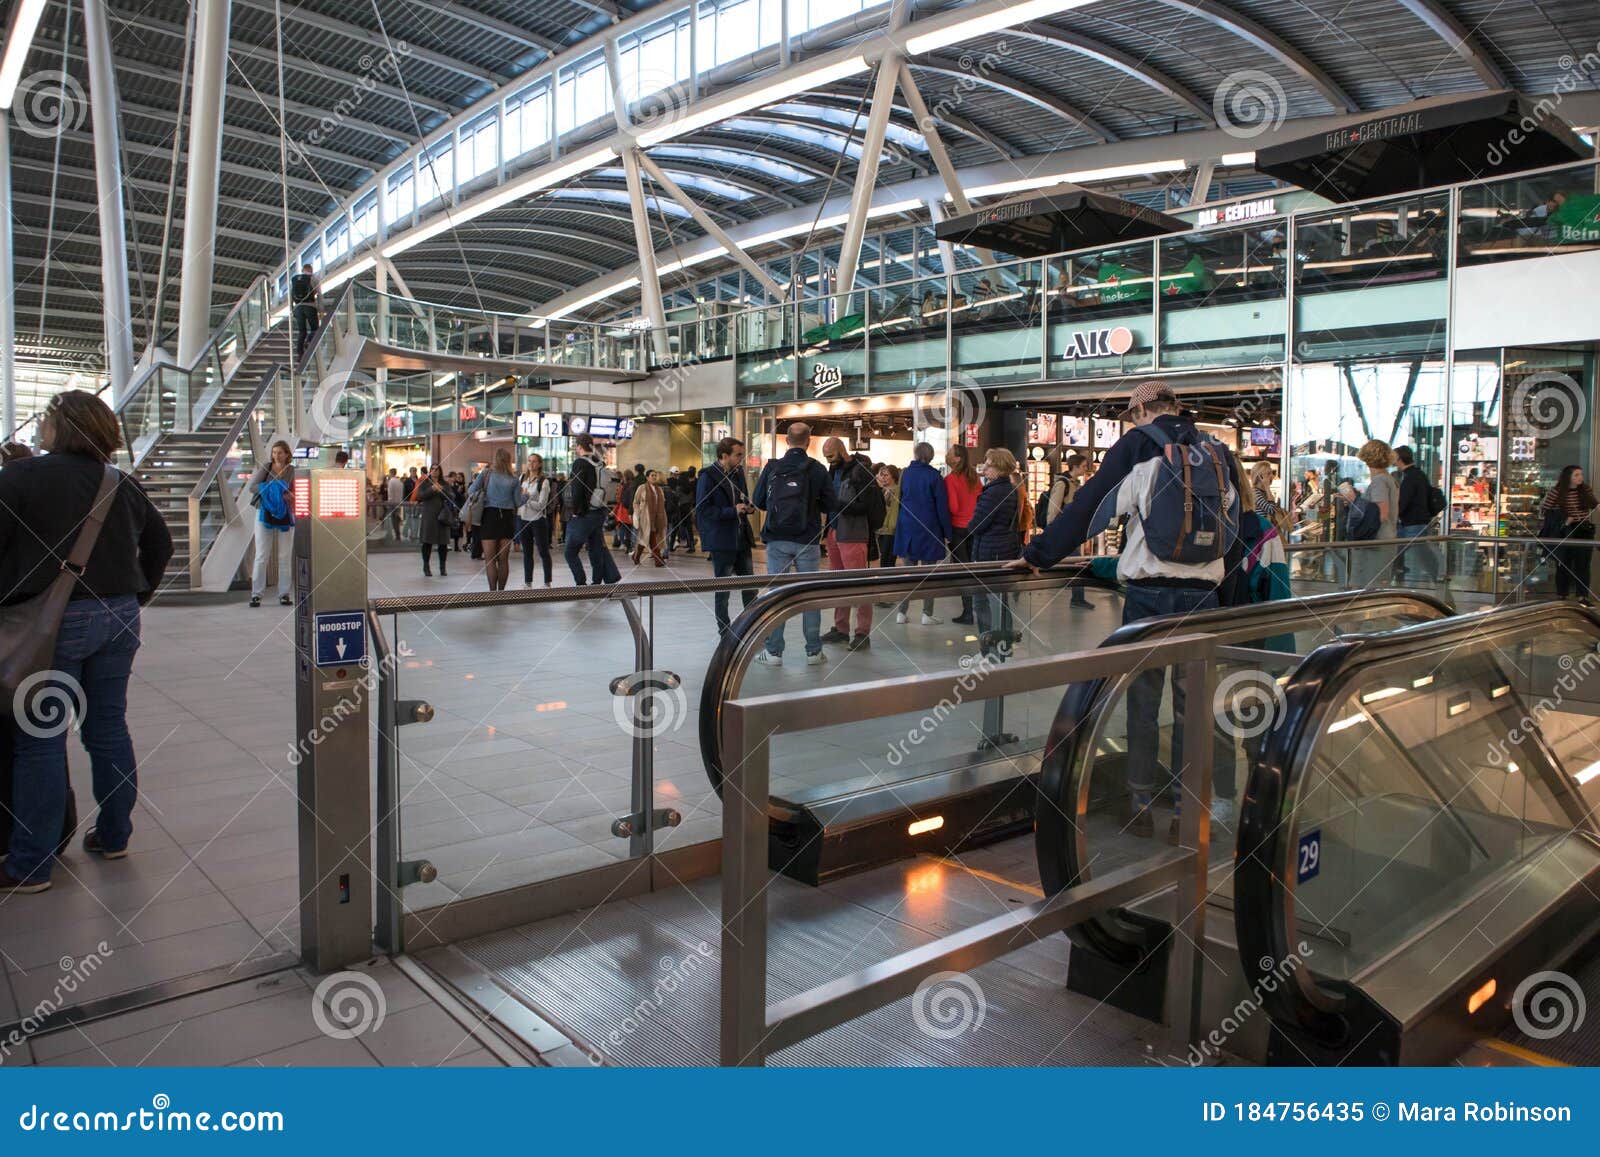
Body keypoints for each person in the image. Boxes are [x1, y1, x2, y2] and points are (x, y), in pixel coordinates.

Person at [1010, 381, 1243, 840]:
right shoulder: (1216, 451)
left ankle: (1139, 806)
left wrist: (1038, 554)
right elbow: (1235, 530)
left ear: (1139, 412)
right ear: (1176, 407)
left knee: (1142, 700)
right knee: (1192, 707)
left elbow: (1088, 507)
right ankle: (1184, 813)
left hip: (1149, 596)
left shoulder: (1137, 446)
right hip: (1203, 597)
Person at [0, 390, 173, 893]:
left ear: (61, 426)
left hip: (48, 624)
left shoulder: (19, 478)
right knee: (107, 727)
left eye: (46, 419)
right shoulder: (118, 482)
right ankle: (114, 834)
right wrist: (135, 593)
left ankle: (30, 863)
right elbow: (161, 543)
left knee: (40, 738)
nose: (40, 427)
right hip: (118, 616)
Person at [751, 422, 835, 666]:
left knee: (777, 595)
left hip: (777, 539)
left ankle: (774, 652)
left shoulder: (773, 466)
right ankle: (814, 652)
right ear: (809, 441)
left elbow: (759, 501)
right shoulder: (817, 469)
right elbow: (831, 505)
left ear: (787, 441)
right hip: (807, 539)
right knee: (809, 595)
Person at [819, 437, 882, 651]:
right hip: (835, 531)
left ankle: (862, 632)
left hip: (854, 534)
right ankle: (841, 628)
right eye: (825, 456)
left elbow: (866, 505)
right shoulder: (833, 470)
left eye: (830, 455)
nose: (828, 460)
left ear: (841, 450)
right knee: (838, 582)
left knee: (858, 584)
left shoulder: (861, 471)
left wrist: (839, 505)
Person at [967, 449, 1025, 661]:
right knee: (1000, 602)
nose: (985, 467)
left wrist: (970, 524)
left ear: (1000, 467)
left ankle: (989, 649)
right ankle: (1004, 646)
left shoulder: (993, 492)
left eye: (989, 464)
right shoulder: (1010, 489)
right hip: (1003, 549)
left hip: (989, 553)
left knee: (982, 602)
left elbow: (978, 524)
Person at [696, 437, 757, 637]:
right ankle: (725, 631)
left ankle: (751, 626)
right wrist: (732, 511)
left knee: (750, 585)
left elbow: (743, 498)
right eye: (738, 455)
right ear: (724, 455)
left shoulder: (738, 473)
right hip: (722, 539)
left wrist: (747, 507)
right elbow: (704, 510)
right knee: (723, 588)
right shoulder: (708, 476)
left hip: (741, 536)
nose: (741, 458)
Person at [893, 442, 951, 624]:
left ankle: (901, 613)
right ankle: (927, 614)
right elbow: (942, 508)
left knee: (908, 574)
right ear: (931, 456)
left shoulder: (906, 473)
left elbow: (899, 499)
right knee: (929, 575)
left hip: (907, 528)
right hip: (929, 530)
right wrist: (948, 532)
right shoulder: (935, 477)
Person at [564, 433, 622, 586]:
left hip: (585, 513)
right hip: (599, 511)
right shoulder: (599, 462)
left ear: (579, 446)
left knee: (570, 552)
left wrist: (576, 511)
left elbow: (577, 490)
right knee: (595, 548)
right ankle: (596, 583)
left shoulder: (580, 463)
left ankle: (581, 583)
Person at [1044, 453, 1095, 609]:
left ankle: (1077, 597)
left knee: (1074, 563)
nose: (1086, 469)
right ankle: (1077, 598)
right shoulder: (1063, 484)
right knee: (1077, 563)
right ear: (1075, 466)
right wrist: (1052, 530)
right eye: (1084, 466)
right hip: (1064, 531)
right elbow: (1053, 510)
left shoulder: (1074, 484)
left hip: (1071, 530)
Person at [248, 440, 295, 608]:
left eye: (280, 452)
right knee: (261, 554)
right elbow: (252, 487)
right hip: (264, 512)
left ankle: (284, 593)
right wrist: (274, 489)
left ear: (287, 454)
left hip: (285, 513)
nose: (276, 455)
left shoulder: (291, 470)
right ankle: (256, 594)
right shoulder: (266, 467)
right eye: (274, 452)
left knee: (284, 555)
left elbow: (294, 492)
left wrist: (286, 495)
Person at [467, 447, 519, 591]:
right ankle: (501, 592)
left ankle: (492, 593)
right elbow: (518, 502)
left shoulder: (486, 473)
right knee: (503, 560)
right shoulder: (514, 479)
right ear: (508, 461)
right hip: (507, 519)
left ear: (495, 459)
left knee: (490, 560)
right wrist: (526, 495)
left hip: (489, 516)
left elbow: (471, 491)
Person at [1541, 465, 1597, 600]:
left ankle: (1582, 596)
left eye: (1581, 475)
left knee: (1582, 565)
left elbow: (1595, 504)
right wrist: (1563, 519)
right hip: (1565, 529)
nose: (1580, 478)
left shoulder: (1585, 490)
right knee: (1563, 564)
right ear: (1568, 477)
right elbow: (1545, 510)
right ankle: (1562, 595)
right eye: (1576, 475)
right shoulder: (1557, 492)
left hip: (1583, 530)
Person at [1351, 439, 1398, 589]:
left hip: (1375, 542)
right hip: (1386, 539)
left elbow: (1381, 513)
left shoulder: (1379, 481)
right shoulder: (1390, 479)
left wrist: (1354, 500)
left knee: (1367, 586)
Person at [1392, 446, 1441, 584]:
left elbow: (1404, 502)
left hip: (1412, 523)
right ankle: (1438, 579)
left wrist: (1394, 513)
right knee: (1417, 554)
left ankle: (1436, 581)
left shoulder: (1409, 478)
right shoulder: (1419, 474)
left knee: (1419, 556)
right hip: (1419, 521)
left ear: (1399, 458)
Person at [945, 443, 982, 624]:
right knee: (972, 569)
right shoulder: (975, 477)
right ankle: (975, 608)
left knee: (962, 570)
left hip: (957, 528)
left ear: (957, 458)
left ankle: (968, 612)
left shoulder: (951, 479)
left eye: (950, 453)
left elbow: (953, 506)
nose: (947, 455)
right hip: (974, 527)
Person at [515, 454, 556, 587]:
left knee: (543, 551)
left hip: (538, 520)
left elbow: (541, 505)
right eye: (529, 461)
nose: (531, 464)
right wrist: (522, 499)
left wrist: (527, 500)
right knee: (527, 552)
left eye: (534, 461)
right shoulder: (522, 478)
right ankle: (528, 582)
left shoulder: (543, 481)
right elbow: (518, 498)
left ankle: (547, 581)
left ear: (539, 464)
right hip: (523, 519)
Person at [413, 464, 452, 577]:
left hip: (442, 516)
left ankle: (442, 567)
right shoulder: (424, 483)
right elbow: (420, 496)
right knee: (427, 542)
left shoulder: (444, 484)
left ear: (440, 471)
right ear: (430, 471)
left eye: (437, 469)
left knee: (443, 543)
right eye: (432, 469)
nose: (435, 471)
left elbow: (451, 496)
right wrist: (431, 489)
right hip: (429, 516)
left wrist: (441, 490)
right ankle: (426, 566)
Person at [631, 469, 668, 566]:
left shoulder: (659, 489)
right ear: (647, 477)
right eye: (652, 475)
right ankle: (658, 560)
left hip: (657, 518)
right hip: (645, 517)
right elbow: (635, 502)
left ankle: (636, 555)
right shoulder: (642, 488)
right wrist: (638, 513)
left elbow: (663, 503)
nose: (654, 477)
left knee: (645, 538)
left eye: (655, 475)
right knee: (651, 538)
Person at [290, 262, 319, 362]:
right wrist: (321, 308)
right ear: (311, 270)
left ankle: (300, 354)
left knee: (302, 331)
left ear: (303, 270)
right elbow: (319, 294)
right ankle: (309, 341)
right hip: (310, 306)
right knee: (315, 329)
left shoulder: (296, 279)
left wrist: (292, 309)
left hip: (298, 308)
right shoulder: (313, 278)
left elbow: (291, 294)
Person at [875, 464, 900, 570]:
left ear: (893, 476)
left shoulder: (895, 490)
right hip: (882, 529)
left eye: (886, 475)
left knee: (887, 559)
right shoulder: (882, 490)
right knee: (885, 558)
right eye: (881, 475)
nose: (883, 478)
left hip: (890, 529)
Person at [448, 471, 467, 555]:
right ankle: (449, 544)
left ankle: (456, 545)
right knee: (452, 526)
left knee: (458, 526)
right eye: (454, 477)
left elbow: (461, 497)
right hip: (452, 508)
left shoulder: (459, 486)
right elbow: (453, 496)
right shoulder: (450, 486)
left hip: (458, 507)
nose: (455, 478)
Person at [385, 467, 405, 541]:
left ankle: (396, 535)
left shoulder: (391, 482)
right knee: (396, 518)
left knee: (394, 519)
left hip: (393, 503)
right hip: (399, 502)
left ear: (391, 473)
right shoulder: (400, 482)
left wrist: (389, 502)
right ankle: (398, 534)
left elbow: (390, 493)